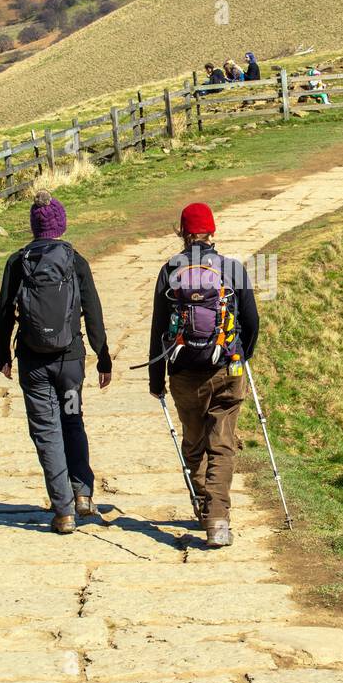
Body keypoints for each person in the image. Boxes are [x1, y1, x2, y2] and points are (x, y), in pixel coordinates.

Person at [0, 190, 112, 534]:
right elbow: (93, 311)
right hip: (70, 364)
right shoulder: (76, 261)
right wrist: (103, 357)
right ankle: (83, 494)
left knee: (47, 432)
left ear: (33, 227)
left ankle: (63, 513)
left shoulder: (18, 262)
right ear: (61, 225)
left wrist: (3, 355)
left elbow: (4, 313)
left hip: (33, 366)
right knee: (72, 421)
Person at [148, 201, 259, 549]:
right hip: (228, 366)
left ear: (181, 233)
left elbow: (157, 330)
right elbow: (252, 322)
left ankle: (204, 505)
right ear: (213, 231)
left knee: (194, 442)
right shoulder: (233, 268)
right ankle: (218, 520)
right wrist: (242, 353)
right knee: (222, 445)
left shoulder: (169, 270)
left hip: (183, 371)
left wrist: (156, 378)